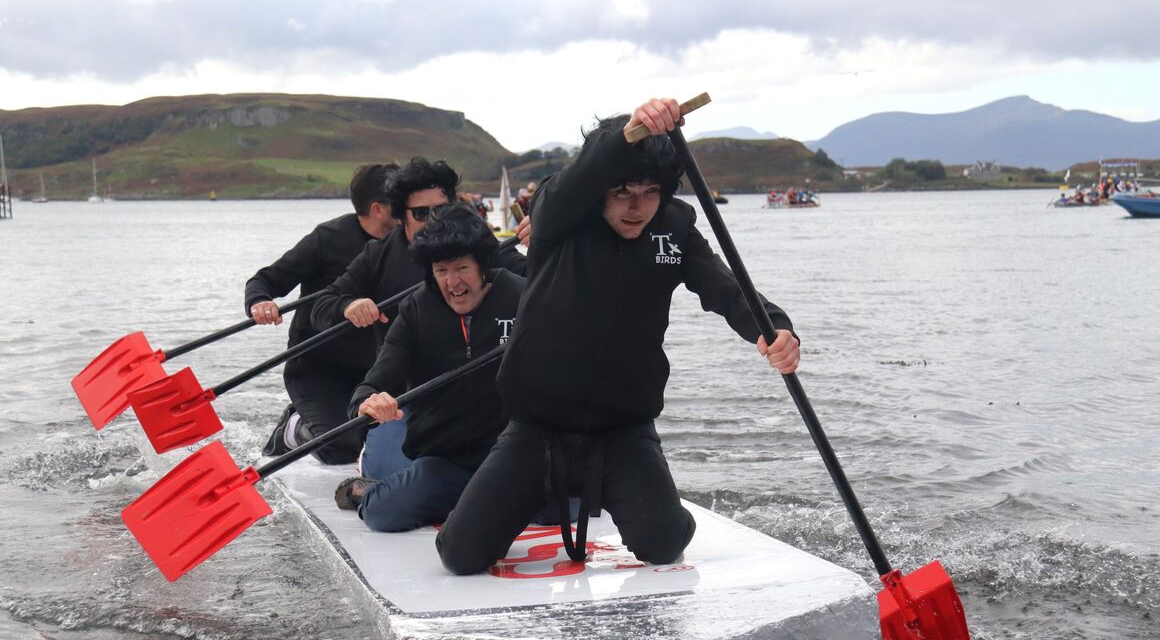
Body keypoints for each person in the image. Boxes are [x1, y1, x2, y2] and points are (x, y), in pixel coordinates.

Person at [435, 97, 800, 575]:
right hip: (537, 429)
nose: (636, 207)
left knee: (664, 544)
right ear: (599, 187)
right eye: (623, 190)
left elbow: (723, 286)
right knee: (460, 556)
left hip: (622, 430)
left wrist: (773, 327)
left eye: (650, 192)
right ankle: (518, 498)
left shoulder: (673, 228)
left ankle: (636, 498)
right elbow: (573, 181)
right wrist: (622, 136)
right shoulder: (559, 217)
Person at [310, 157, 528, 479]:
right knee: (385, 468)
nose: (433, 220)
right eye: (421, 213)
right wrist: (348, 305)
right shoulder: (378, 255)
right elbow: (321, 306)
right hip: (406, 396)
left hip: (482, 397)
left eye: (441, 210)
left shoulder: (477, 247)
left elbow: (545, 279)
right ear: (402, 218)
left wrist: (549, 243)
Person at [333, 202, 524, 531]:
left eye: (462, 268)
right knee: (385, 515)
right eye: (441, 271)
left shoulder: (525, 297)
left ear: (483, 265)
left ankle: (473, 500)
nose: (452, 282)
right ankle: (366, 491)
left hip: (515, 455)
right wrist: (369, 402)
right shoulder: (416, 310)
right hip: (447, 462)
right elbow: (371, 386)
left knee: (575, 499)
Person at [244, 163, 400, 464]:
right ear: (378, 208)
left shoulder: (408, 241)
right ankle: (294, 427)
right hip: (318, 369)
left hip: (377, 369)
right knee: (344, 447)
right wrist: (260, 301)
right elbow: (265, 280)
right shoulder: (328, 238)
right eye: (402, 200)